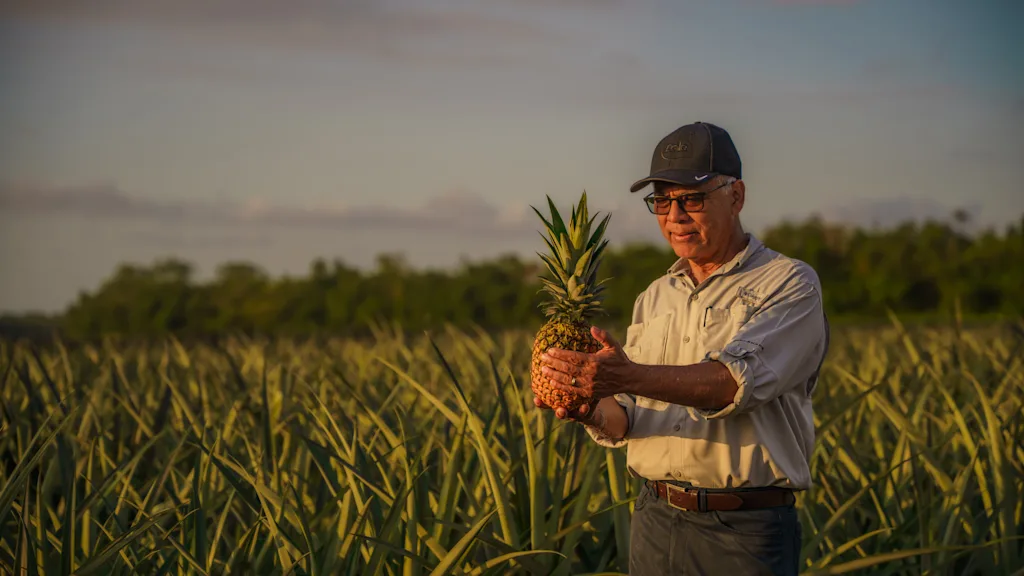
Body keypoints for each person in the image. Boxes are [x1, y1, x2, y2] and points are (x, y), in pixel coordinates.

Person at [533, 121, 830, 576]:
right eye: (662, 201)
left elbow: (733, 383)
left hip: (744, 531)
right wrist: (588, 407)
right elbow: (628, 416)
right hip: (654, 520)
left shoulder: (788, 283)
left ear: (736, 196)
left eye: (692, 198)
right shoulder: (653, 297)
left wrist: (626, 375)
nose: (675, 216)